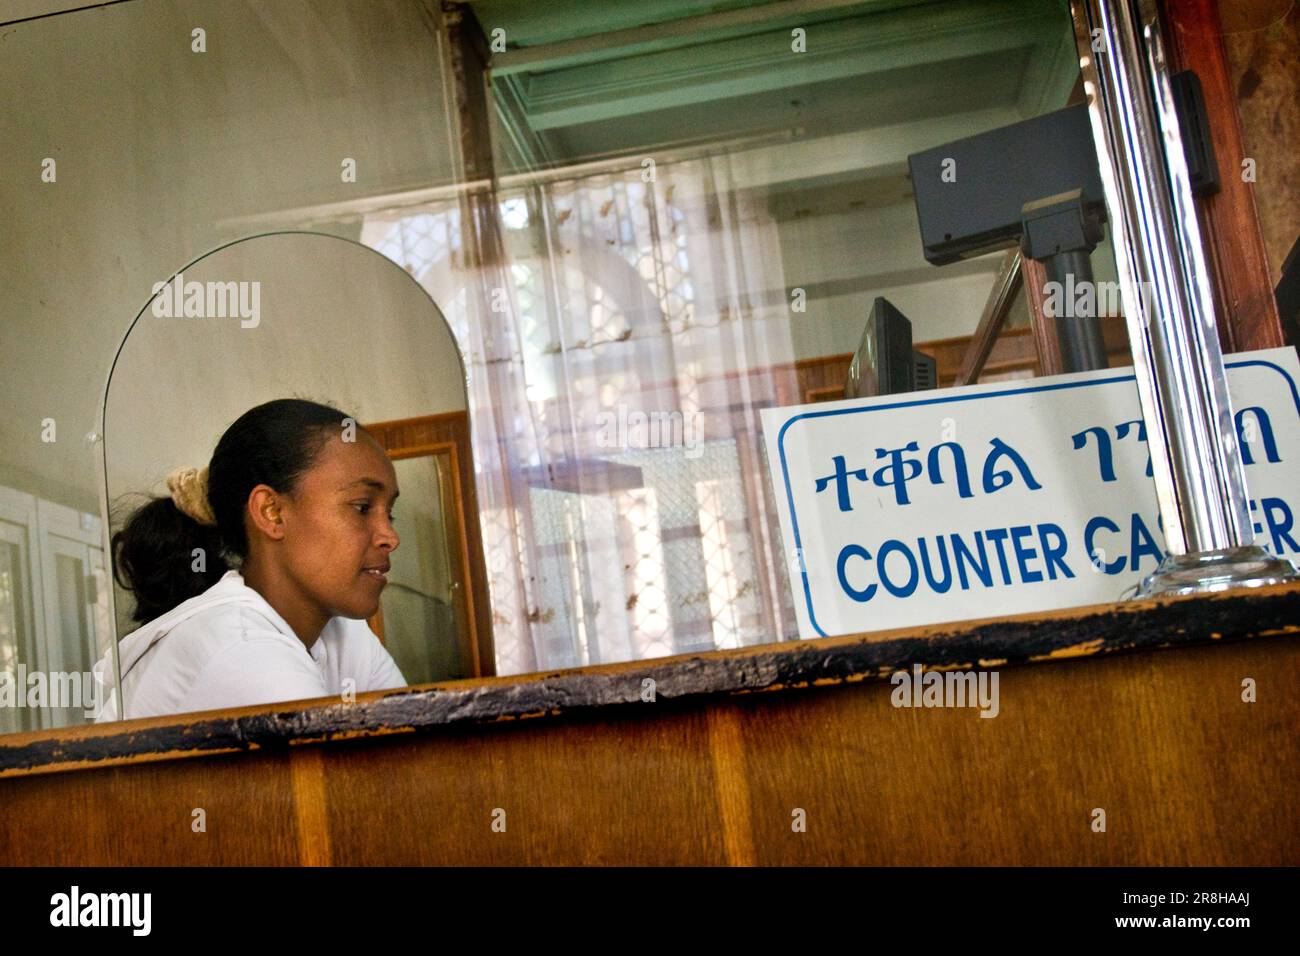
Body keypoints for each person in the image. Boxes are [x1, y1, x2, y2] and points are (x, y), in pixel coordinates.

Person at [92, 398, 408, 722]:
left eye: (390, 513)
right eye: (362, 507)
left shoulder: (344, 634)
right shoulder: (241, 646)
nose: (390, 537)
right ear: (272, 512)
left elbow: (414, 753)